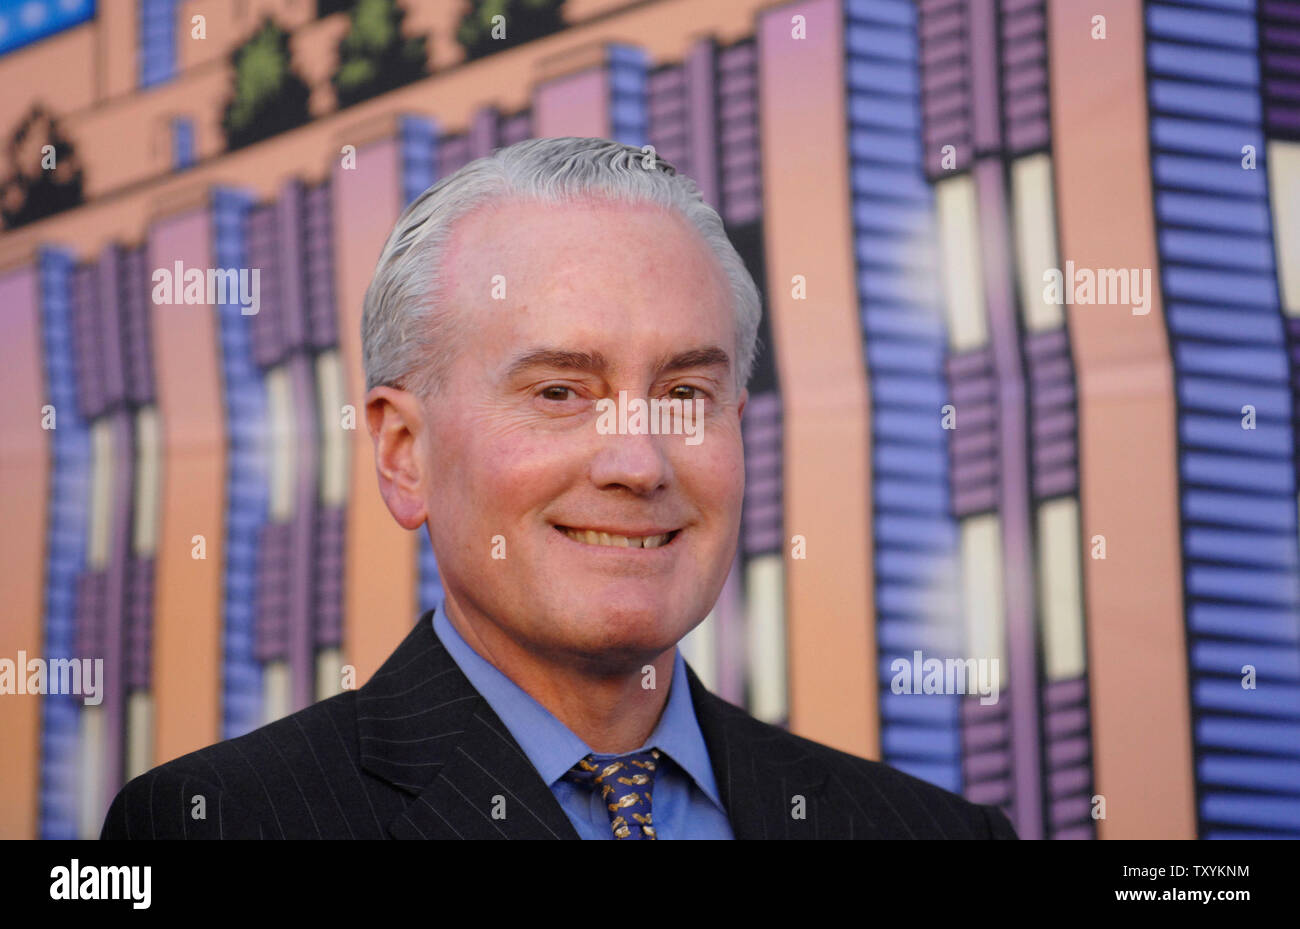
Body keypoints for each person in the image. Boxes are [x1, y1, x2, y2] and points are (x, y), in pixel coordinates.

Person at [101, 137, 1017, 840]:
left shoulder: (930, 831)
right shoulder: (217, 822)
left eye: (685, 395)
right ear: (402, 451)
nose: (638, 461)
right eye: (558, 393)